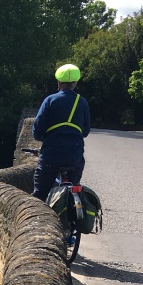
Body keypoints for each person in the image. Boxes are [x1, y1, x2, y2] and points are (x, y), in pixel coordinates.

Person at [31, 63, 90, 201]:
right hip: (74, 155)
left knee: (39, 195)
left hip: (51, 155)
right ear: (75, 83)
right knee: (73, 190)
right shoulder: (82, 102)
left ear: (58, 83)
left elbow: (37, 129)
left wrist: (43, 137)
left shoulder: (50, 100)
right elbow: (85, 131)